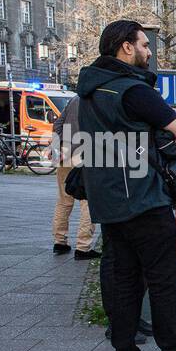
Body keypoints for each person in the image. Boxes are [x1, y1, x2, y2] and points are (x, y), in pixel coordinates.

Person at [77, 19, 176, 351]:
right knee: (162, 280)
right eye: (144, 45)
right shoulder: (134, 90)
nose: (148, 51)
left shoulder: (89, 92)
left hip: (109, 203)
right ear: (126, 47)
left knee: (124, 280)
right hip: (144, 200)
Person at [50, 95, 99, 259]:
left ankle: (59, 241)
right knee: (88, 201)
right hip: (86, 154)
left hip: (65, 152)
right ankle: (83, 247)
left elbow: (57, 125)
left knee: (64, 200)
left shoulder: (74, 99)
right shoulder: (99, 99)